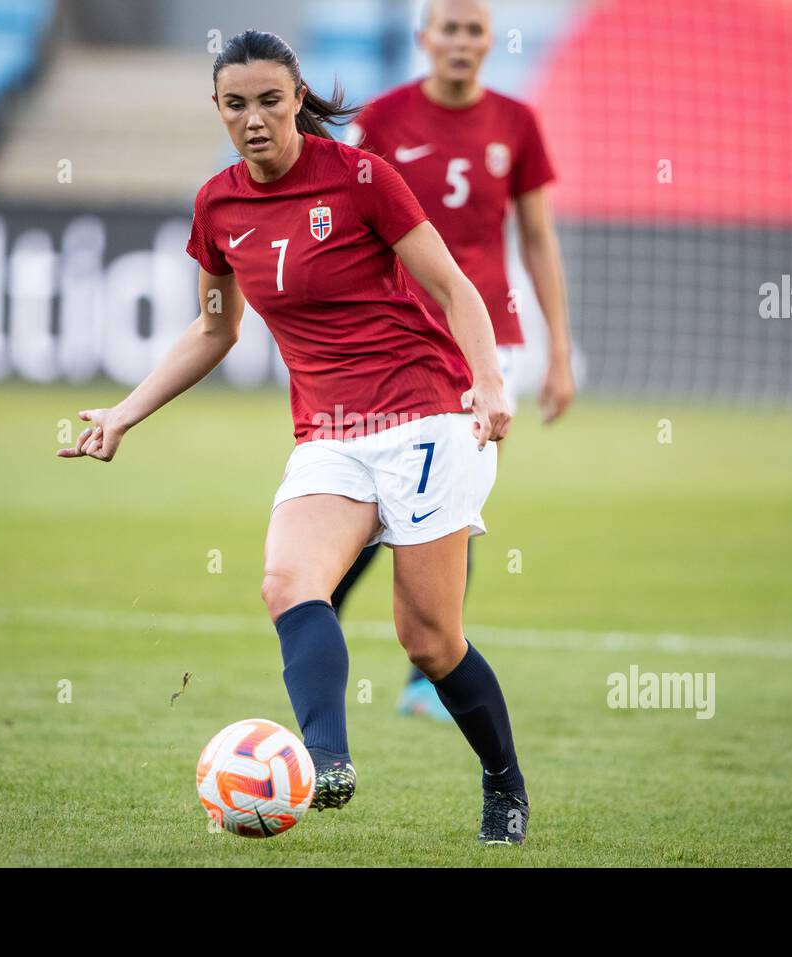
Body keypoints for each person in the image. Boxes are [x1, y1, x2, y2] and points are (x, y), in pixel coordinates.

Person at [58, 30, 530, 844]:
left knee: (429, 639)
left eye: (270, 101)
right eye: (235, 104)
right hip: (330, 434)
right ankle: (322, 759)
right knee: (287, 581)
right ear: (217, 108)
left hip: (426, 417)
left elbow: (455, 288)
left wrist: (487, 381)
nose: (253, 120)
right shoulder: (218, 205)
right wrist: (123, 413)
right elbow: (213, 332)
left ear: (299, 98)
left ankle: (504, 783)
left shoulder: (360, 180)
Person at [336, 0, 576, 721]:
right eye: (451, 28)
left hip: (481, 340)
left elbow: (537, 238)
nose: (463, 42)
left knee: (449, 500)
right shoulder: (379, 120)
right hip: (396, 333)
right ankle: (318, 639)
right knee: (375, 493)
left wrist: (560, 352)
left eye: (476, 29)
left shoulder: (516, 122)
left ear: (488, 40)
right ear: (425, 39)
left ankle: (425, 678)